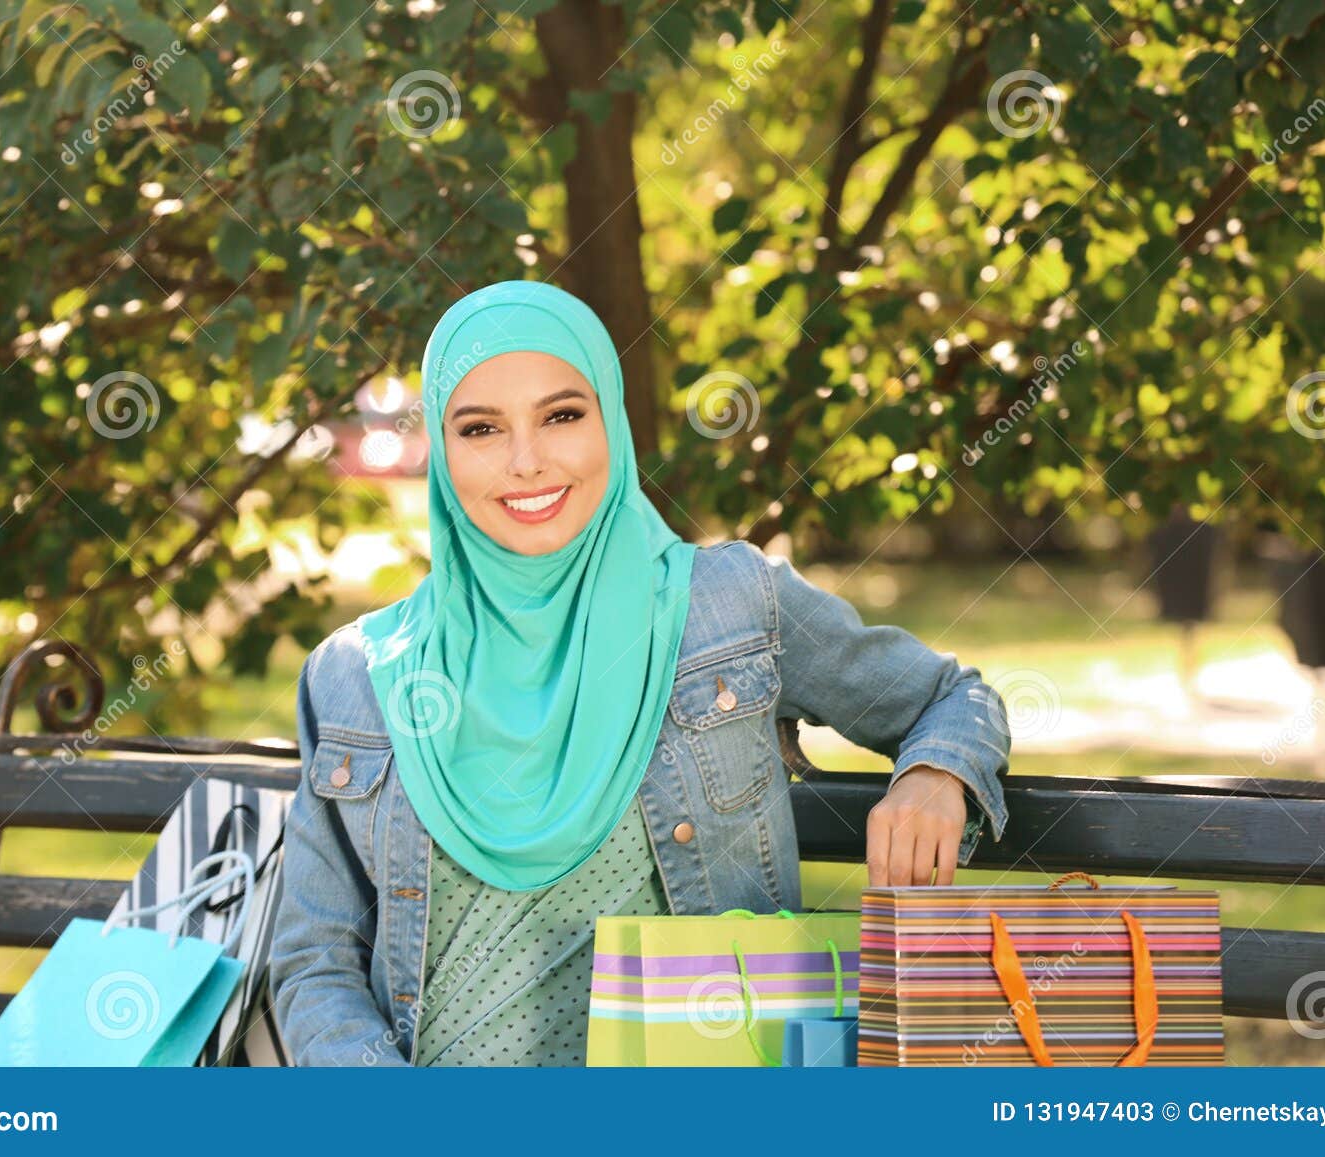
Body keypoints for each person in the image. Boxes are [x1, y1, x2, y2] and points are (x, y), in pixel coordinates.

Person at [268, 279, 1011, 1067]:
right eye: (481, 428)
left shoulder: (729, 605)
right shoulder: (356, 676)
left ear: (611, 422)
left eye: (562, 415)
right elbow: (314, 962)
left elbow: (951, 697)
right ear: (442, 455)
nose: (526, 461)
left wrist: (935, 775)